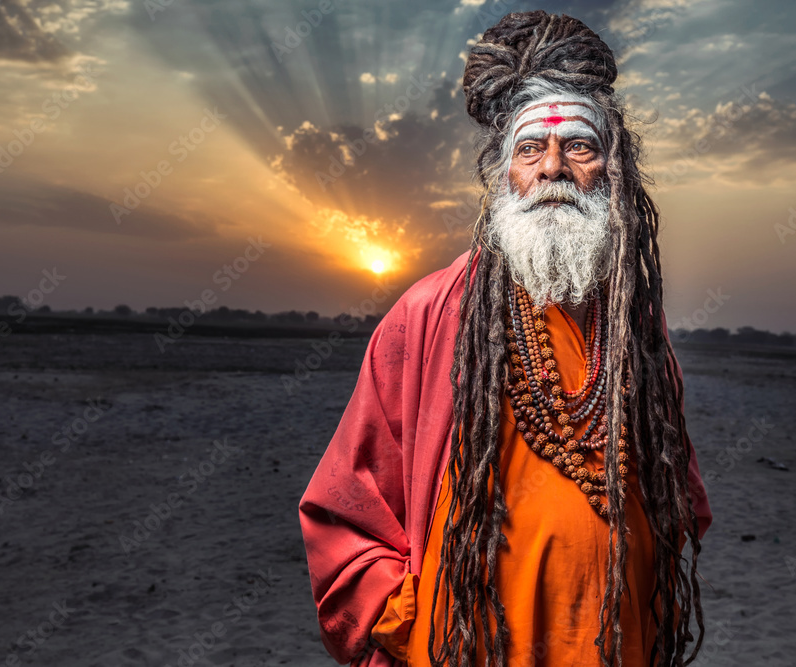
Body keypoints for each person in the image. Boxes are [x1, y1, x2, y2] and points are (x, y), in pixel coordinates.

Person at [299, 10, 712, 667]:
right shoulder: (428, 314)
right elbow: (344, 513)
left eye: (578, 145)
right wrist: (418, 621)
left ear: (614, 168)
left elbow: (677, 497)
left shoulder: (637, 328)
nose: (553, 167)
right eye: (530, 149)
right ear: (504, 174)